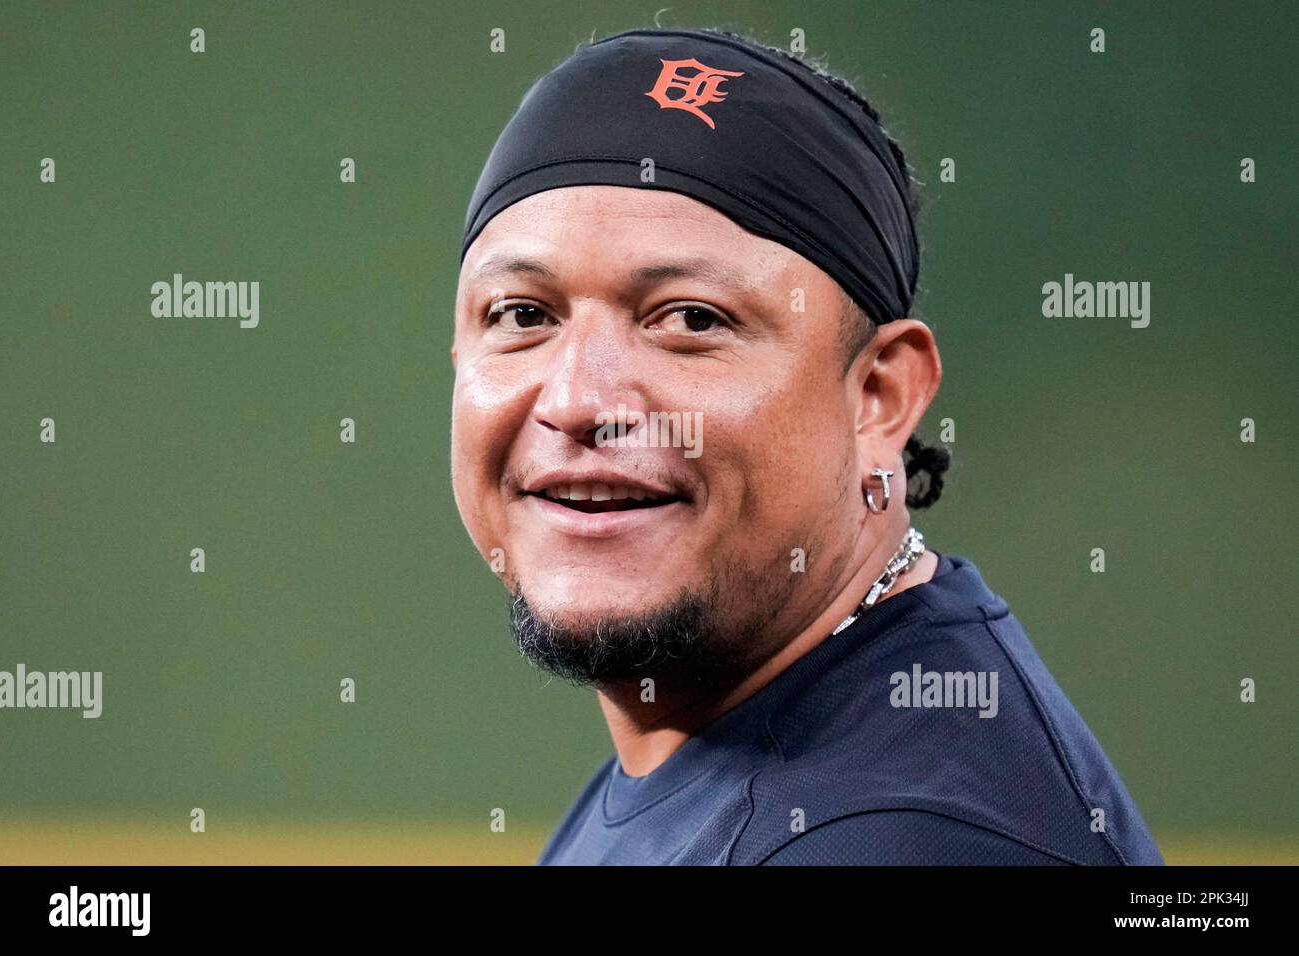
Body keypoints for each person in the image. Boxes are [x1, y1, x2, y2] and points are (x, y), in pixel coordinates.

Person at [450, 26, 1163, 865]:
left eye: (690, 320)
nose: (577, 401)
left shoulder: (898, 840)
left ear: (877, 397)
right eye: (522, 315)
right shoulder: (727, 734)